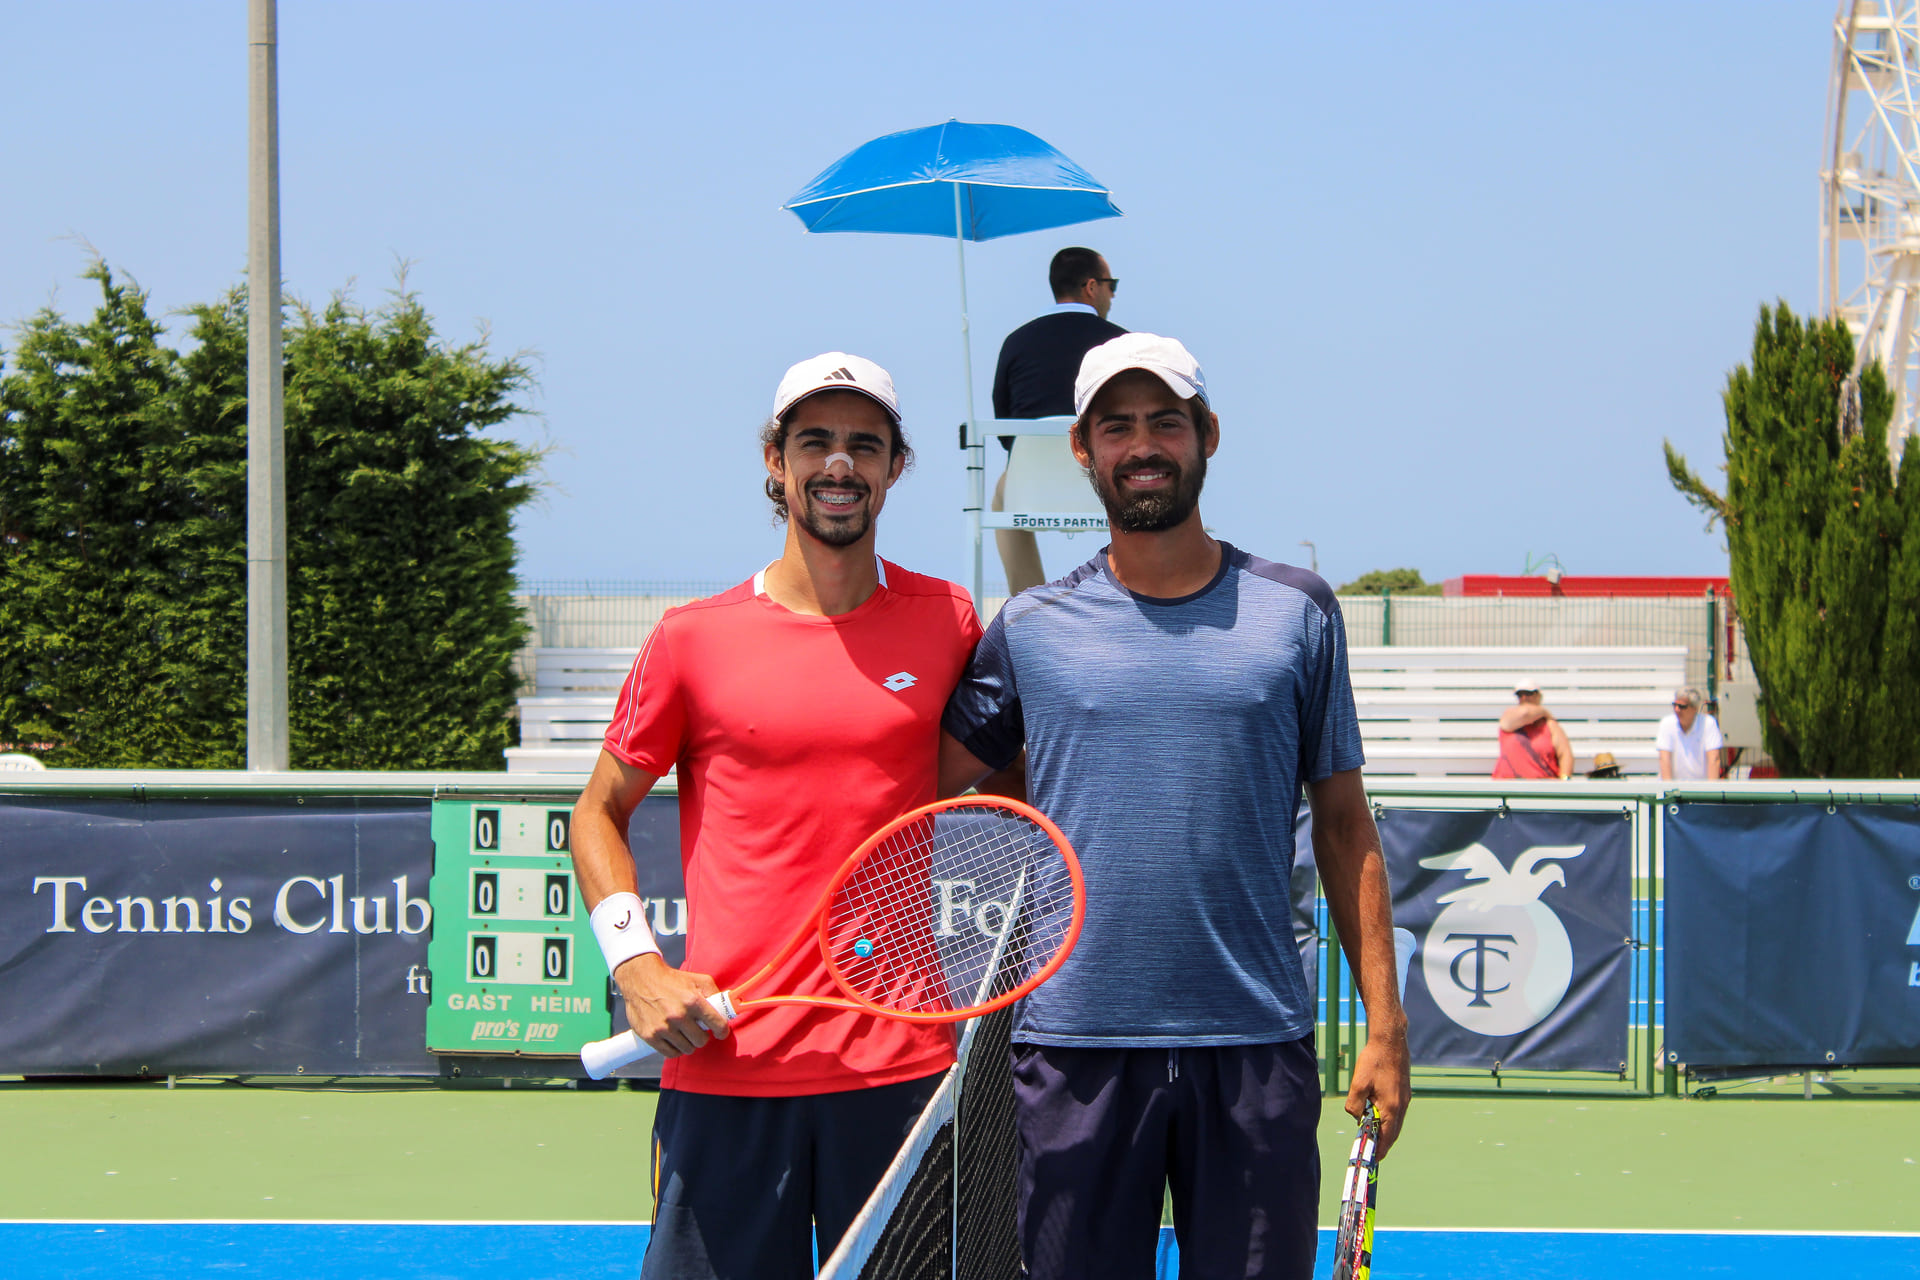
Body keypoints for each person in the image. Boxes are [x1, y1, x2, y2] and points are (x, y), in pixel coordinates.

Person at [940, 333, 1411, 1280]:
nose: (1142, 444)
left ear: (1208, 435)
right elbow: (946, 784)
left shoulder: (1300, 611)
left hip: (1255, 1050)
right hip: (1074, 1050)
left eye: (1166, 421)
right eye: (1117, 425)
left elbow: (1346, 825)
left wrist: (1388, 1030)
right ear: (1083, 449)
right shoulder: (1030, 630)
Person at [569, 353, 984, 1280]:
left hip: (898, 1067)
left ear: (895, 468)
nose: (840, 464)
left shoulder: (949, 620)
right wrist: (638, 967)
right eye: (816, 443)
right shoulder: (691, 638)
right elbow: (596, 813)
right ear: (774, 460)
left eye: (864, 446)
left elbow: (1013, 774)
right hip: (725, 1065)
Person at [989, 247, 1127, 594]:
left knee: (1001, 496)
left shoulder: (1016, 342)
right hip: (1106, 480)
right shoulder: (1122, 345)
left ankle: (1028, 600)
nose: (1112, 295)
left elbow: (1006, 427)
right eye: (1112, 285)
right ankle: (1135, 589)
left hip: (1031, 485)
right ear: (1091, 287)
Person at [1492, 678, 1574, 780]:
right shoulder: (1509, 717)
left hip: (1543, 785)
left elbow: (1565, 754)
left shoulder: (1550, 726)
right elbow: (1524, 713)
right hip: (1510, 786)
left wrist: (1564, 780)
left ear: (1538, 696)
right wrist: (1544, 711)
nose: (1524, 698)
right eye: (1520, 695)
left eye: (1528, 694)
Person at [1657, 686, 1725, 780]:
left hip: (1701, 789)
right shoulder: (1666, 723)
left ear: (1695, 709)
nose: (1677, 710)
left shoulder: (1708, 723)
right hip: (1673, 789)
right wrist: (1668, 790)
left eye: (1682, 707)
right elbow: (1664, 759)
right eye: (1675, 705)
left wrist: (1711, 791)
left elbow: (1714, 759)